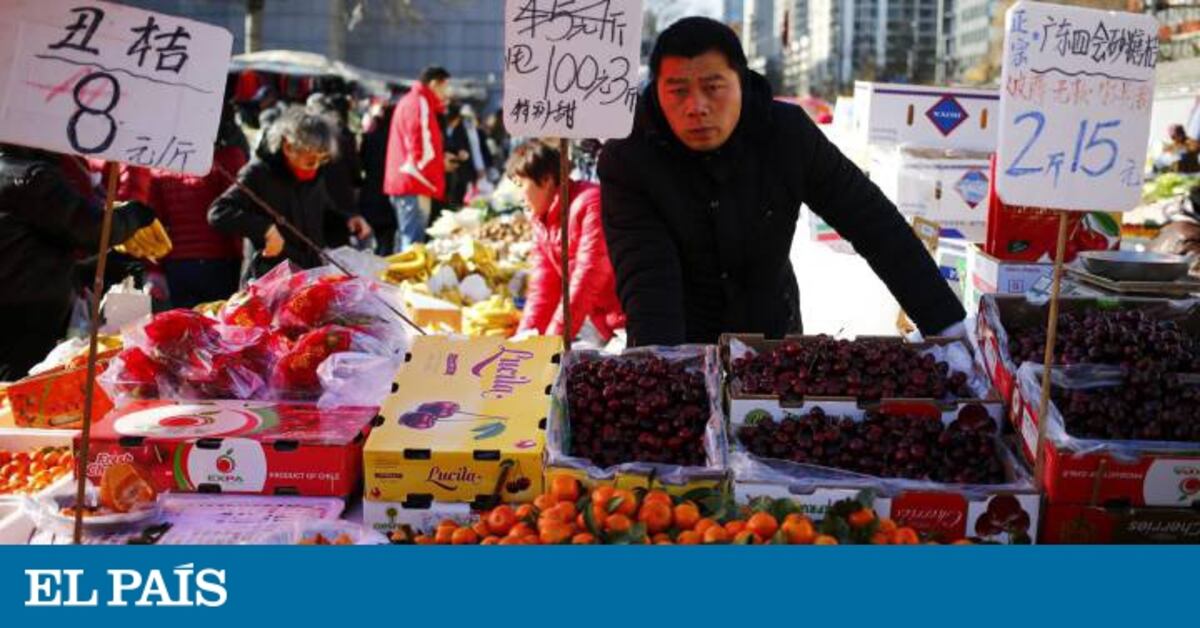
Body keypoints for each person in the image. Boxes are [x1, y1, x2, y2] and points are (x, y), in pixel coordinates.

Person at [598, 18, 964, 346]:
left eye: (713, 87)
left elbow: (872, 221)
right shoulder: (629, 157)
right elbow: (648, 278)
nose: (697, 107)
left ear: (741, 82)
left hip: (773, 343)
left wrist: (946, 325)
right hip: (683, 342)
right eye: (678, 90)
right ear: (656, 90)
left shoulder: (786, 135)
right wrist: (662, 370)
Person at [0, 144, 157, 380]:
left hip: (19, 295)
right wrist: (133, 215)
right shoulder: (32, 177)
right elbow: (93, 229)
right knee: (20, 386)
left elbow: (30, 238)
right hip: (28, 307)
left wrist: (83, 269)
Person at [208, 106, 371, 279]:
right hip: (269, 277)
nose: (316, 166)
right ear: (288, 147)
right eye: (310, 160)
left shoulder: (315, 177)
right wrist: (265, 229)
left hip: (309, 275)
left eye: (322, 159)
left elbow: (322, 215)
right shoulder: (258, 173)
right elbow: (218, 212)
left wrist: (347, 221)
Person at [120, 103, 250, 308]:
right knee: (219, 324)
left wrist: (155, 270)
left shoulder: (161, 165)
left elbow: (152, 221)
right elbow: (237, 217)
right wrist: (247, 264)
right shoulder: (228, 158)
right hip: (221, 264)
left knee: (185, 325)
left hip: (178, 266)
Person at [508, 141, 625, 343]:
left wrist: (554, 342)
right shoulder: (542, 222)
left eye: (520, 186)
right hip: (604, 323)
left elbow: (587, 278)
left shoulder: (591, 202)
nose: (519, 197)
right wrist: (524, 343)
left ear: (546, 179)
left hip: (633, 317)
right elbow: (543, 291)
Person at [384, 66, 452, 250]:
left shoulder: (411, 101)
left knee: (406, 238)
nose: (446, 93)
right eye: (445, 87)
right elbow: (420, 146)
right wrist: (438, 165)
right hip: (415, 181)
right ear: (435, 84)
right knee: (413, 243)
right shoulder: (419, 102)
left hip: (408, 180)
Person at [307, 92, 363, 248]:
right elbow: (355, 170)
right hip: (342, 198)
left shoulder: (312, 135)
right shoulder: (343, 132)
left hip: (323, 202)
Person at [359, 100, 400, 255]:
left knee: (369, 242)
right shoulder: (397, 140)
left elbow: (362, 163)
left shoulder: (370, 138)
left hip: (371, 191)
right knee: (387, 240)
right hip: (389, 192)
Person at [445, 103, 493, 207]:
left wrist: (482, 167)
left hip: (474, 170)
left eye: (470, 117)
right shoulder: (458, 130)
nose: (468, 120)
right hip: (463, 172)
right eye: (465, 117)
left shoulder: (477, 131)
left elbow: (480, 150)